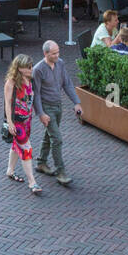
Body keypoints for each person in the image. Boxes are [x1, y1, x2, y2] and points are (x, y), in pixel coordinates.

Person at [31, 40, 83, 187]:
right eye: (53, 53)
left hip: (58, 106)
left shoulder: (60, 63)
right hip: (47, 108)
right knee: (57, 139)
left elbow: (67, 83)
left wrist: (76, 102)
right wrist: (41, 113)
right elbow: (37, 94)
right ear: (45, 53)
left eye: (58, 52)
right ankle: (61, 173)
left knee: (50, 135)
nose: (57, 55)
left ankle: (41, 162)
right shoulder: (38, 70)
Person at [2, 54, 41, 195]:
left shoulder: (29, 79)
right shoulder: (11, 83)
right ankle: (32, 182)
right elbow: (7, 103)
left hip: (27, 121)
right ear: (19, 68)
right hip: (17, 122)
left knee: (16, 146)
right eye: (28, 67)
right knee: (26, 149)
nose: (31, 69)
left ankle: (10, 170)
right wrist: (10, 122)